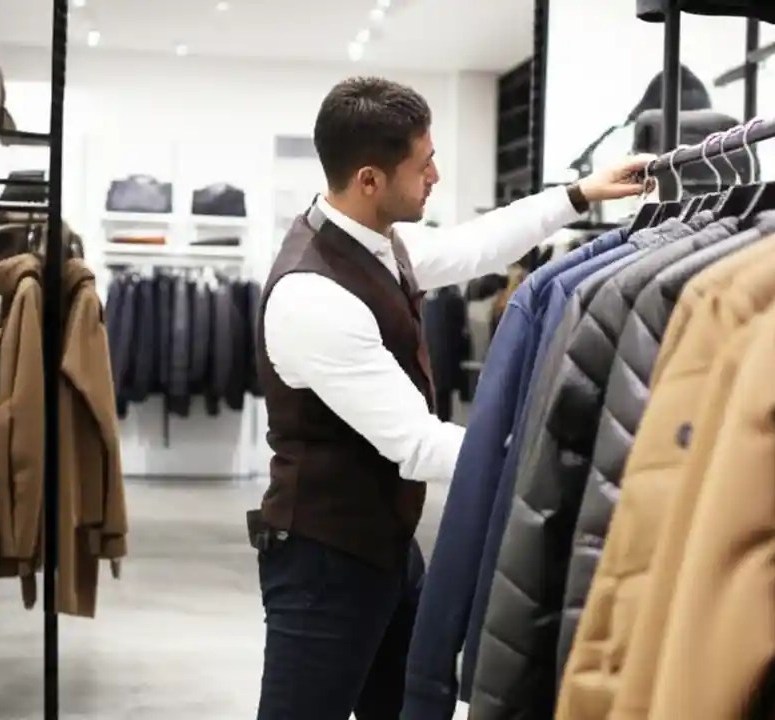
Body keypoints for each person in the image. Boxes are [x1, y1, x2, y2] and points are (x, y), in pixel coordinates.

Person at [250, 76, 651, 720]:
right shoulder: (312, 296)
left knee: (411, 706)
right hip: (322, 563)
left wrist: (580, 195)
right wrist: (552, 457)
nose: (435, 174)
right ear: (370, 179)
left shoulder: (378, 243)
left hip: (384, 545)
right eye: (423, 162)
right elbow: (417, 444)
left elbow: (471, 247)